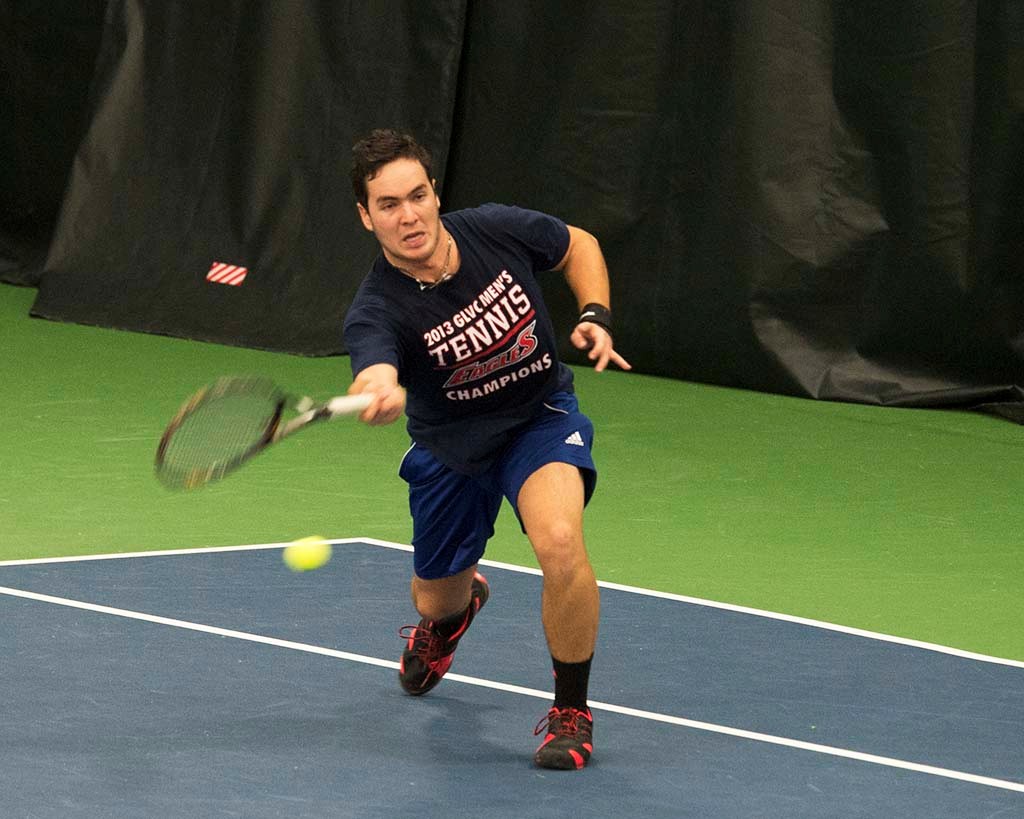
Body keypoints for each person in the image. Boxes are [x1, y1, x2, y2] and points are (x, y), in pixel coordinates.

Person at [343, 128, 630, 771]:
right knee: (433, 599)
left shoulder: (494, 230)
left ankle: (571, 714)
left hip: (538, 419)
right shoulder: (376, 308)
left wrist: (595, 312)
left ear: (435, 193)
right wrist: (380, 386)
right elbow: (374, 365)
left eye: (417, 195)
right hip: (452, 451)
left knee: (559, 542)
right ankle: (453, 614)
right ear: (366, 217)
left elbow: (576, 243)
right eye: (388, 204)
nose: (409, 214)